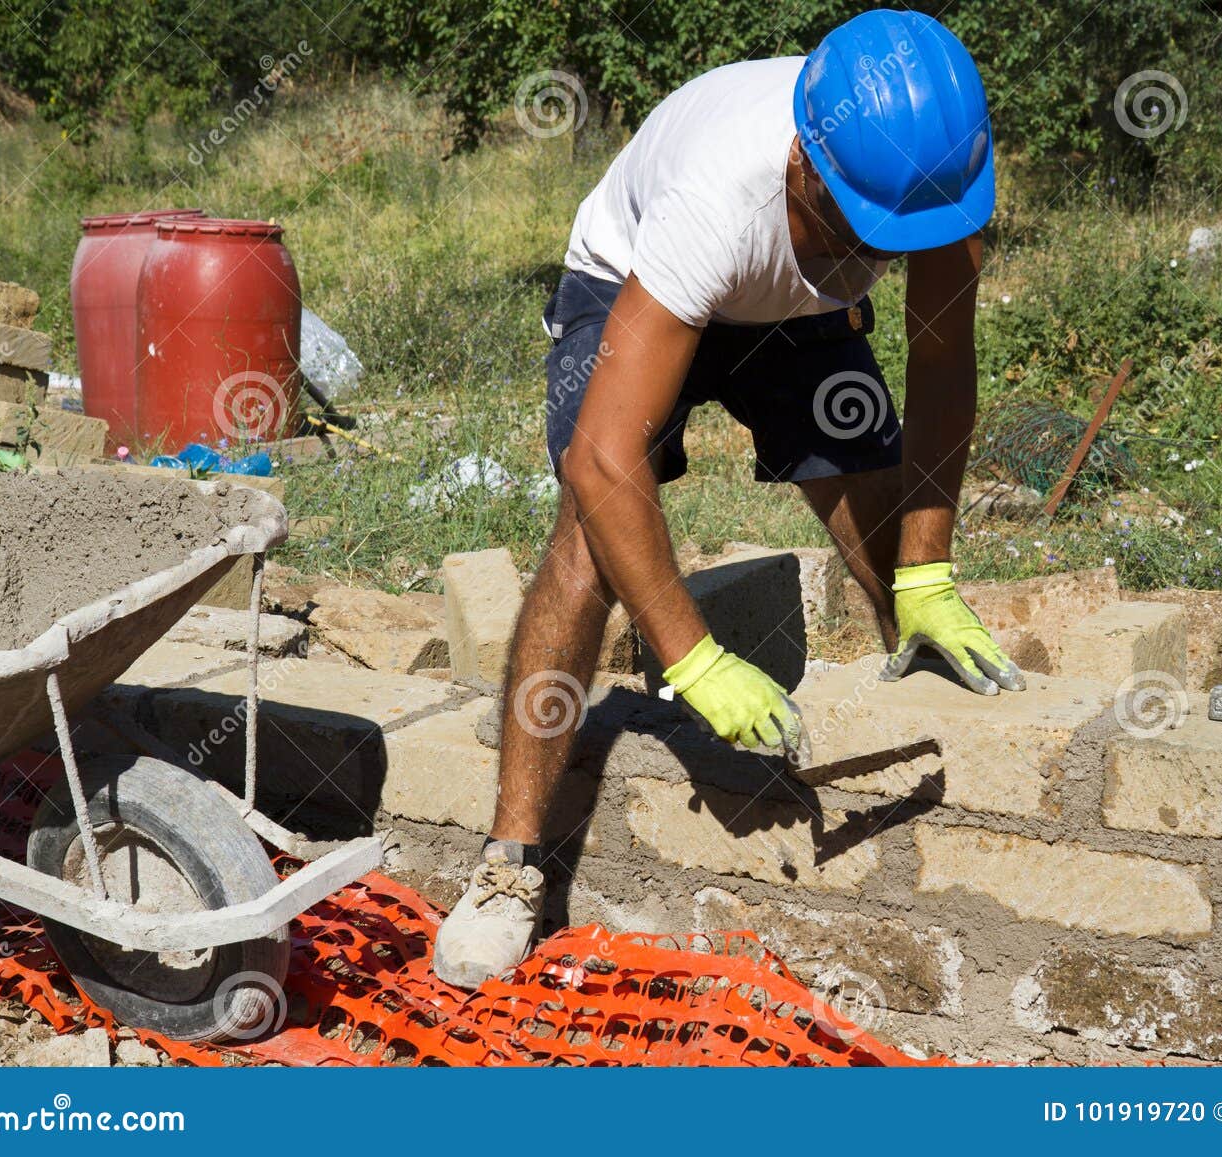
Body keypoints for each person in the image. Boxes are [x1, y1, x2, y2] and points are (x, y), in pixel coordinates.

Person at [433, 8, 1022, 988]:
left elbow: (942, 358)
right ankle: (509, 863)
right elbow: (601, 458)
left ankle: (924, 793)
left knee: (875, 501)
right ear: (802, 166)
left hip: (791, 308)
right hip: (636, 282)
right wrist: (695, 657)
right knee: (590, 546)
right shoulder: (716, 197)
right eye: (857, 229)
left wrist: (928, 568)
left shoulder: (927, 181)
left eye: (890, 239)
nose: (879, 255)